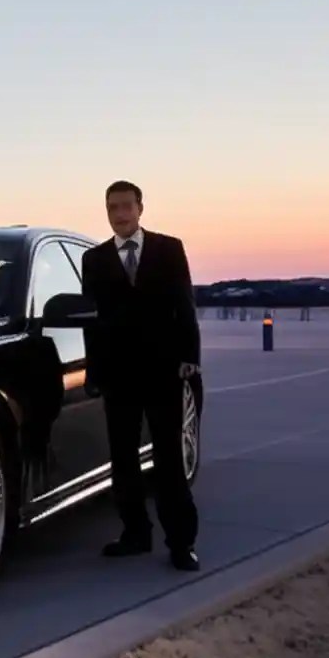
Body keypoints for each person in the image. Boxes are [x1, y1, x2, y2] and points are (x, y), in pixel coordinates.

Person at [80, 180, 202, 571]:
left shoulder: (169, 249)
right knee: (123, 460)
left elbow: (185, 306)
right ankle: (135, 533)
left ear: (140, 208)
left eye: (126, 206)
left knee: (167, 460)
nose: (120, 214)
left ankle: (181, 543)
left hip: (164, 371)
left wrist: (190, 358)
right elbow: (91, 323)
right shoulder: (95, 260)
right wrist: (94, 372)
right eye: (113, 207)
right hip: (118, 376)